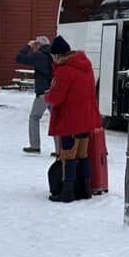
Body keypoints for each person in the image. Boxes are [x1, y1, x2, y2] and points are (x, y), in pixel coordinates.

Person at [43, 34, 101, 202]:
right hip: (87, 118)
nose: (53, 60)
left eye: (53, 56)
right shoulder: (86, 66)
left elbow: (56, 98)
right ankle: (85, 189)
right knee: (83, 154)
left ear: (59, 55)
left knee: (68, 155)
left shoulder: (63, 70)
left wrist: (46, 97)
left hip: (71, 120)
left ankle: (67, 192)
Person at [15, 35, 54, 154]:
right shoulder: (53, 54)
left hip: (43, 92)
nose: (34, 47)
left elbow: (19, 58)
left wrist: (28, 46)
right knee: (56, 120)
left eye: (35, 44)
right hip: (55, 91)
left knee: (34, 117)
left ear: (39, 45)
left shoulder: (38, 55)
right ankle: (60, 149)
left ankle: (35, 145)